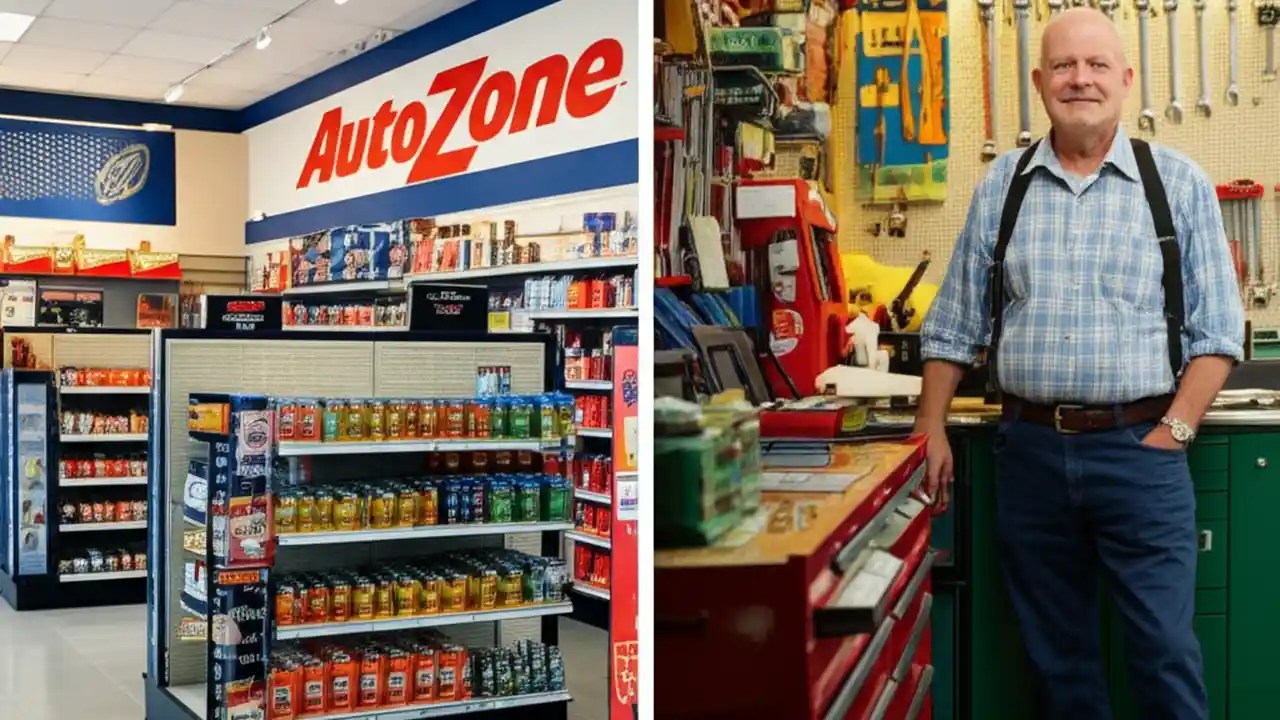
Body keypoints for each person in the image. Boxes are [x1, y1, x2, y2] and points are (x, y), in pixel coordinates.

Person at [914, 7, 1244, 720]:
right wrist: (930, 426)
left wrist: (1177, 431)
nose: (1080, 79)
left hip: (1141, 452)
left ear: (1125, 80)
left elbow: (1219, 332)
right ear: (1039, 82)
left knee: (1162, 649)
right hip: (1029, 452)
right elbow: (952, 326)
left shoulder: (1177, 183)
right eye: (1064, 66)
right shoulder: (1002, 186)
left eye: (1096, 66)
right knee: (1056, 655)